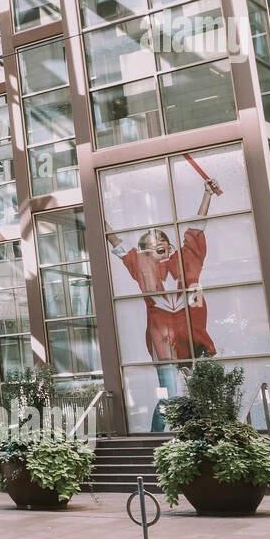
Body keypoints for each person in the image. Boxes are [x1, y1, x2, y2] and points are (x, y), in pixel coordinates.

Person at [106, 177, 220, 431]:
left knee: (199, 396)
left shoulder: (185, 259)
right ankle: (155, 441)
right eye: (152, 246)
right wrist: (94, 215)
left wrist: (207, 195)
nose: (159, 246)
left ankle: (198, 438)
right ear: (145, 252)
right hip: (163, 337)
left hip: (192, 335)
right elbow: (117, 244)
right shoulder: (141, 266)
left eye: (162, 242)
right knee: (168, 397)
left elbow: (196, 230)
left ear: (170, 245)